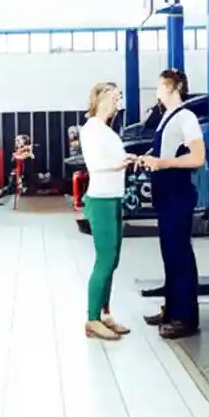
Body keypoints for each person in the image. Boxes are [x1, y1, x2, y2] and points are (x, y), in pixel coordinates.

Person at [136, 69, 206, 340]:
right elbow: (165, 150)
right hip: (165, 193)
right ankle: (172, 309)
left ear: (170, 87)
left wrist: (162, 163)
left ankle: (185, 318)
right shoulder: (167, 117)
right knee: (170, 254)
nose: (156, 91)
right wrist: (146, 158)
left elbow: (197, 157)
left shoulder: (187, 117)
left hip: (177, 193)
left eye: (158, 86)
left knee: (180, 255)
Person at [79, 82, 136, 341]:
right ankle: (92, 319)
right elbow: (95, 164)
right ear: (101, 99)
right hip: (100, 199)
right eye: (115, 97)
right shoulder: (91, 128)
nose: (118, 103)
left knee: (113, 260)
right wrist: (121, 163)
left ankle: (105, 313)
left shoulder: (106, 130)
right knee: (104, 259)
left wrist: (124, 161)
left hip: (113, 197)